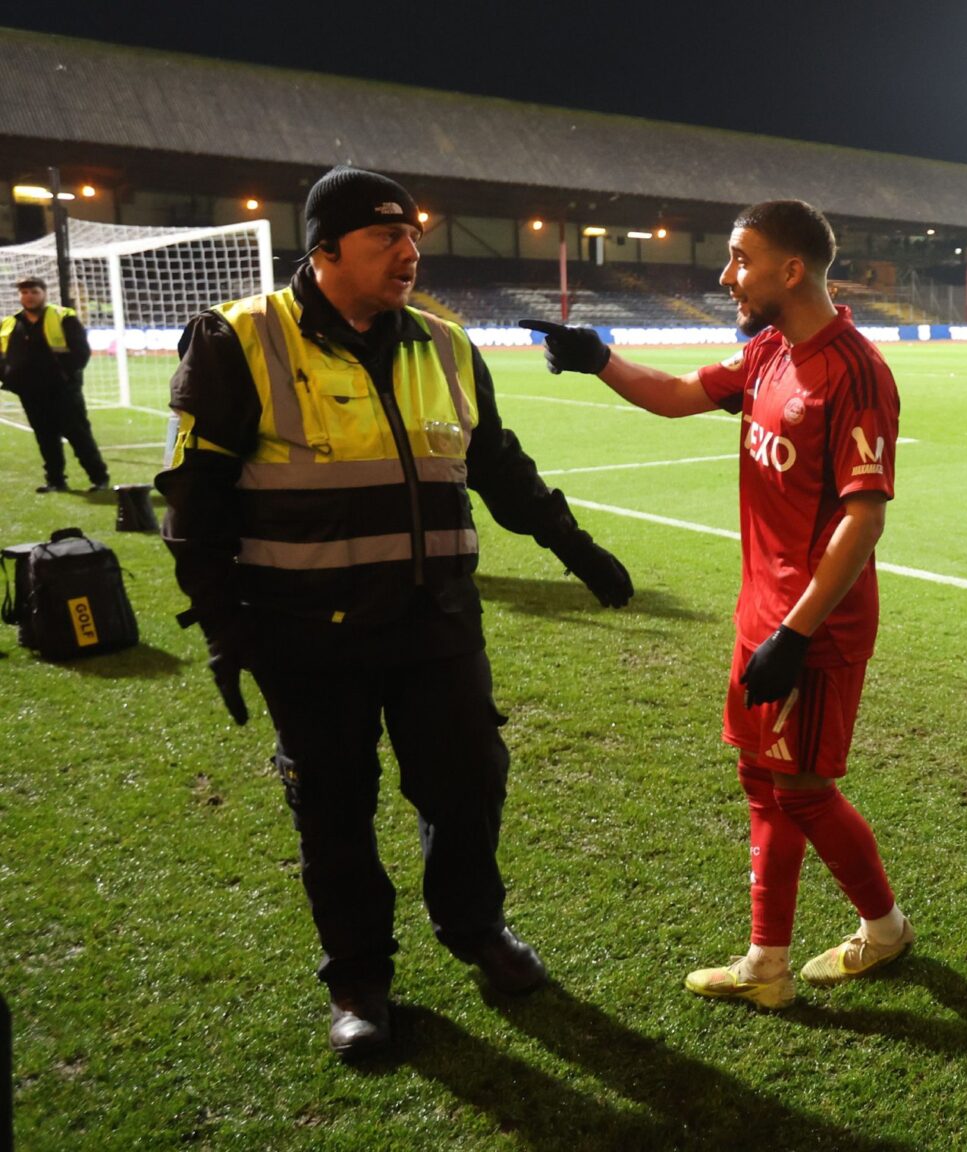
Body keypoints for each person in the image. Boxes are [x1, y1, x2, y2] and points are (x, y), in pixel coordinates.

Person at [155, 166, 633, 1058]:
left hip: (436, 623)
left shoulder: (445, 343)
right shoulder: (239, 337)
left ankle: (475, 927)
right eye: (386, 237)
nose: (409, 252)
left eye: (413, 235)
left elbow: (497, 465)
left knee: (470, 783)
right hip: (306, 631)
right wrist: (223, 625)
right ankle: (359, 979)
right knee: (334, 809)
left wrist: (575, 547)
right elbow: (194, 496)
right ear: (325, 248)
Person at [522, 199, 912, 1010]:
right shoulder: (768, 350)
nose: (726, 275)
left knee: (801, 788)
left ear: (791, 270)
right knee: (760, 779)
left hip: (814, 627)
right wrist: (598, 358)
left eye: (740, 258)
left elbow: (863, 519)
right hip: (760, 615)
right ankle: (767, 964)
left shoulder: (855, 372)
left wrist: (796, 634)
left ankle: (884, 930)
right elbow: (674, 394)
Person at [0, 276, 110, 493]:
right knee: (45, 437)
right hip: (30, 392)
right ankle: (55, 480)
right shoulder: (10, 323)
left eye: (34, 292)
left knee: (78, 434)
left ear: (44, 293)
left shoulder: (64, 318)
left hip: (63, 391)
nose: (29, 296)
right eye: (24, 292)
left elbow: (81, 352)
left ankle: (99, 478)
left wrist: (66, 377)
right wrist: (8, 377)